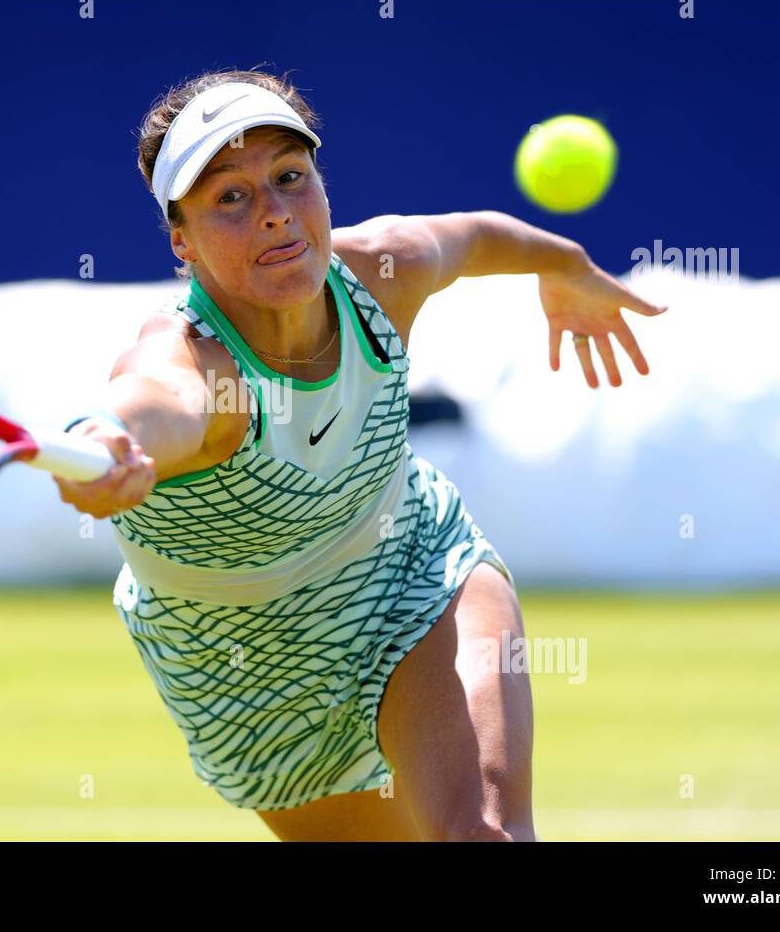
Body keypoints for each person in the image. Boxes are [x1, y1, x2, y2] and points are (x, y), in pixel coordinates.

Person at [53, 69, 665, 841]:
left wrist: (564, 264)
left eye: (289, 177)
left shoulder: (384, 270)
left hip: (412, 573)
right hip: (252, 686)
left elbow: (474, 237)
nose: (275, 214)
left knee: (485, 833)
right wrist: (103, 439)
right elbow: (152, 401)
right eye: (230, 198)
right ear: (182, 239)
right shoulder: (196, 363)